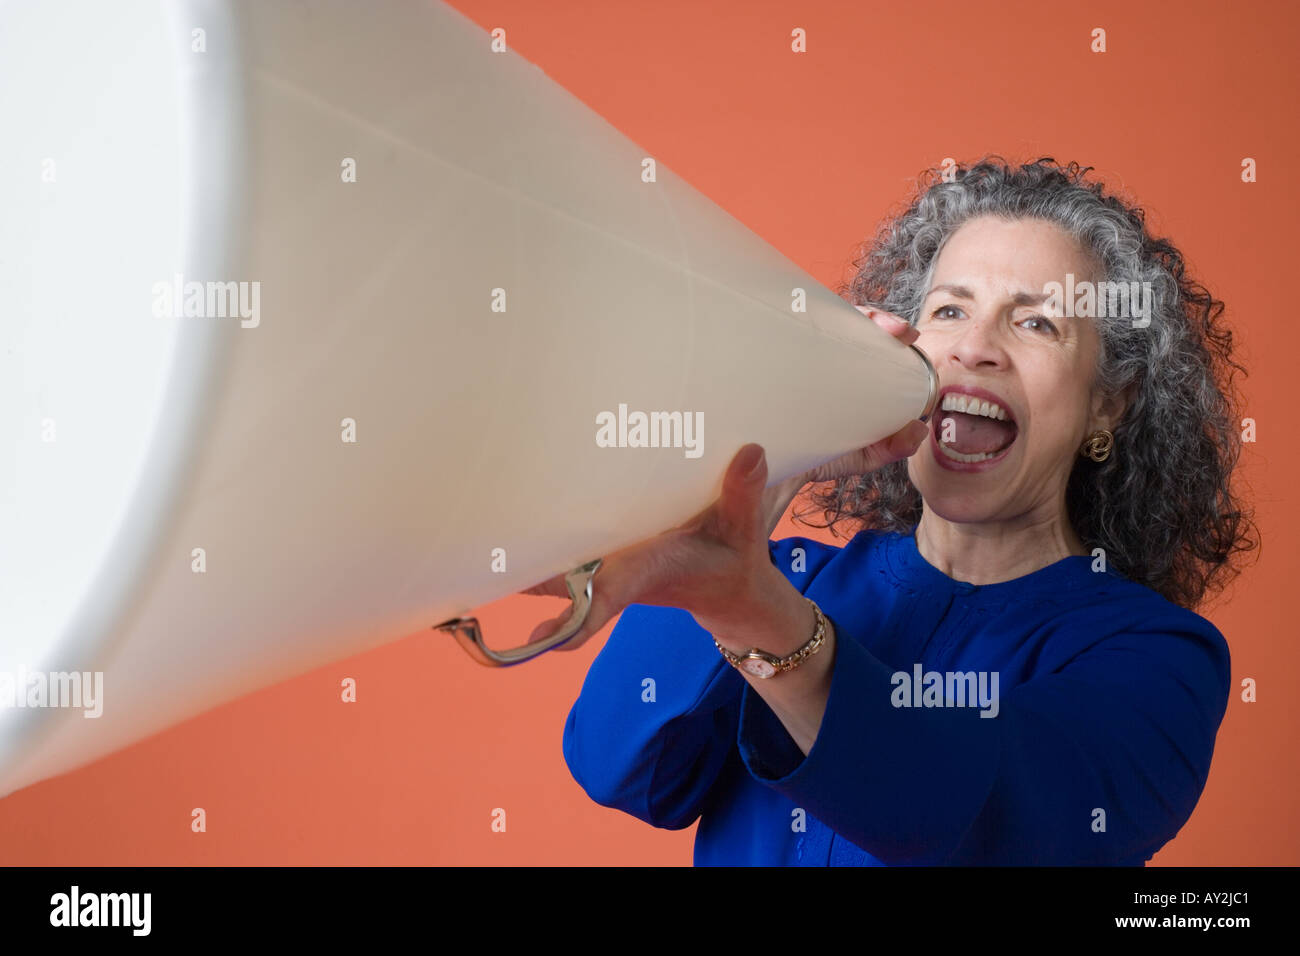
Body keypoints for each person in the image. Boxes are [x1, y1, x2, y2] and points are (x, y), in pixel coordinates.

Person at [525, 156, 1258, 865]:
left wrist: (752, 615)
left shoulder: (1155, 658)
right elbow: (622, 771)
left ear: (1109, 402)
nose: (975, 347)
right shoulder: (780, 576)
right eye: (948, 310)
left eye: (1036, 324)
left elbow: (967, 806)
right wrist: (759, 479)